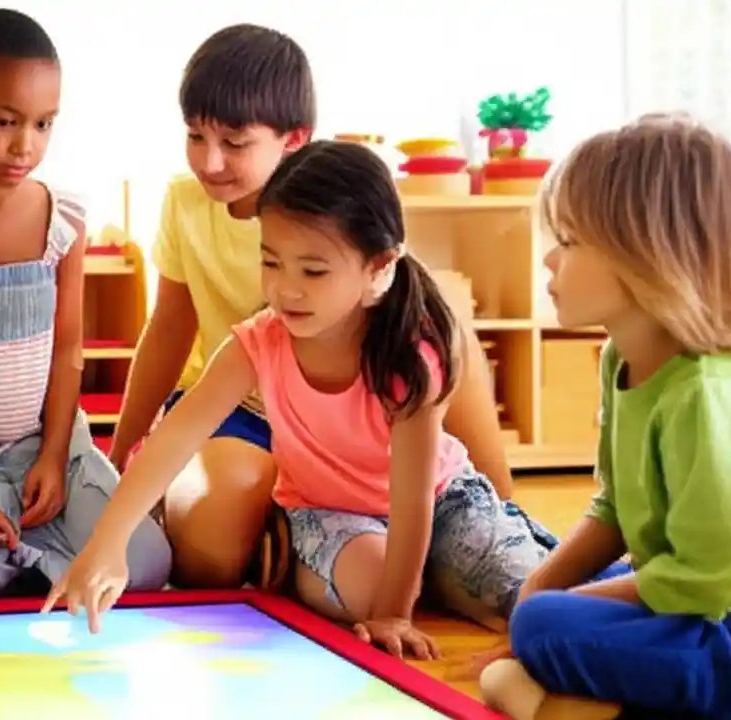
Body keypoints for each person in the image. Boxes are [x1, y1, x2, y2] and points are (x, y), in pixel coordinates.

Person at [46, 140, 551, 656]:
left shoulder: (409, 351)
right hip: (329, 512)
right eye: (272, 262)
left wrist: (397, 615)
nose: (286, 289)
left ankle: (451, 568)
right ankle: (423, 573)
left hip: (442, 499)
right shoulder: (258, 341)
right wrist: (106, 543)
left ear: (379, 267)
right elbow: (175, 437)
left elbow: (414, 496)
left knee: (533, 597)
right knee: (372, 593)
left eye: (312, 271)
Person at [107, 23, 538, 590]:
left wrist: (498, 500)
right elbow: (167, 328)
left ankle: (456, 527)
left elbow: (427, 340)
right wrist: (118, 462)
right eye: (195, 136)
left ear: (294, 138)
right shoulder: (185, 204)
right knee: (213, 538)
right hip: (237, 411)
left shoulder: (335, 205)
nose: (210, 162)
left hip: (339, 422)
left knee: (445, 329)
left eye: (235, 143)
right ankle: (290, 537)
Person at [0, 8, 172, 602]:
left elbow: (69, 349)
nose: (27, 144)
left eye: (44, 124)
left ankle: (22, 558)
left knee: (148, 562)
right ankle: (31, 559)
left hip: (49, 441)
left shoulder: (63, 218)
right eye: (5, 121)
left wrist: (53, 454)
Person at [479, 115, 731, 719]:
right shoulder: (619, 358)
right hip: (690, 600)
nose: (549, 260)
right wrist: (536, 593)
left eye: (569, 242)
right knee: (543, 612)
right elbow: (616, 510)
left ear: (649, 256)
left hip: (729, 626)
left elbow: (708, 582)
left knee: (545, 628)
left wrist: (543, 619)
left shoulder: (704, 394)